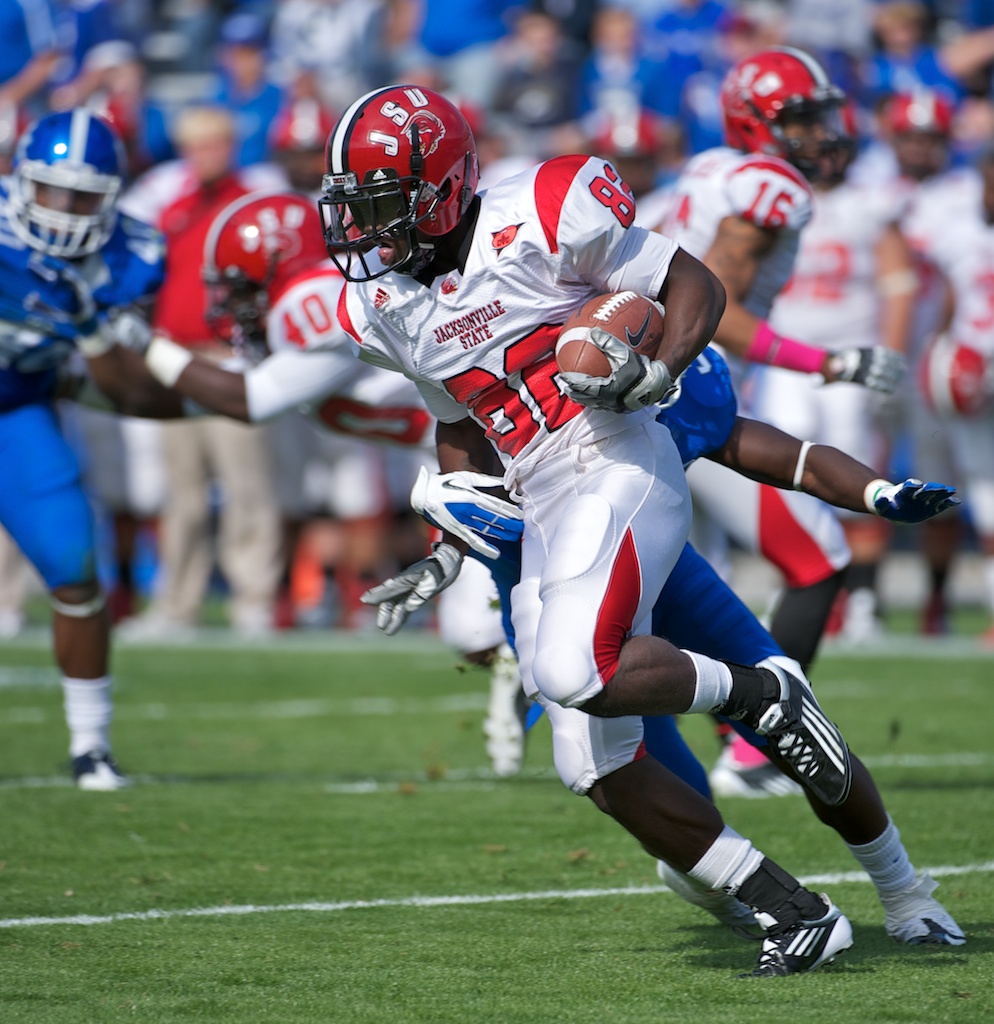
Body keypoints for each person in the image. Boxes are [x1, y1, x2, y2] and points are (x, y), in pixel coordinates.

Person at [318, 83, 858, 976]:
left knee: (576, 671)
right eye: (354, 209)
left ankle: (761, 696)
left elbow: (693, 281)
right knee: (591, 765)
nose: (363, 233)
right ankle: (794, 913)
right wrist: (447, 548)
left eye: (381, 207)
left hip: (614, 455)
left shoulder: (540, 210)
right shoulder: (381, 307)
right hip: (536, 496)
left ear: (442, 187)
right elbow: (460, 426)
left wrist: (661, 370)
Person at [415, 342, 964, 947]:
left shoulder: (664, 382)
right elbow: (463, 464)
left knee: (800, 734)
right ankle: (767, 905)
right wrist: (449, 541)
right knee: (617, 779)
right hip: (546, 587)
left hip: (657, 567)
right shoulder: (475, 360)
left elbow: (793, 458)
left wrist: (877, 494)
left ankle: (906, 890)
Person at [655, 47, 902, 793]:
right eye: (798, 118)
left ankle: (732, 732)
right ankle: (756, 749)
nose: (817, 132)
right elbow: (714, 315)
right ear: (755, 122)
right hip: (686, 390)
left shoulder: (709, 169)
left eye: (819, 114)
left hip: (666, 385)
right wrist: (824, 363)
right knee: (818, 558)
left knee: (684, 580)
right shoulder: (767, 187)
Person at [0, 108, 166, 788]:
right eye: (51, 190)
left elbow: (128, 389)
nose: (66, 210)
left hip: (17, 411)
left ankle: (89, 743)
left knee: (74, 566)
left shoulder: (133, 255)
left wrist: (89, 322)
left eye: (83, 196)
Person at [117, 106, 286, 636]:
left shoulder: (253, 205)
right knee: (182, 491)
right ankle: (176, 602)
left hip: (231, 359)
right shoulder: (174, 205)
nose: (205, 154)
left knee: (247, 484)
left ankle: (253, 596)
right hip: (178, 357)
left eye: (214, 144)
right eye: (196, 145)